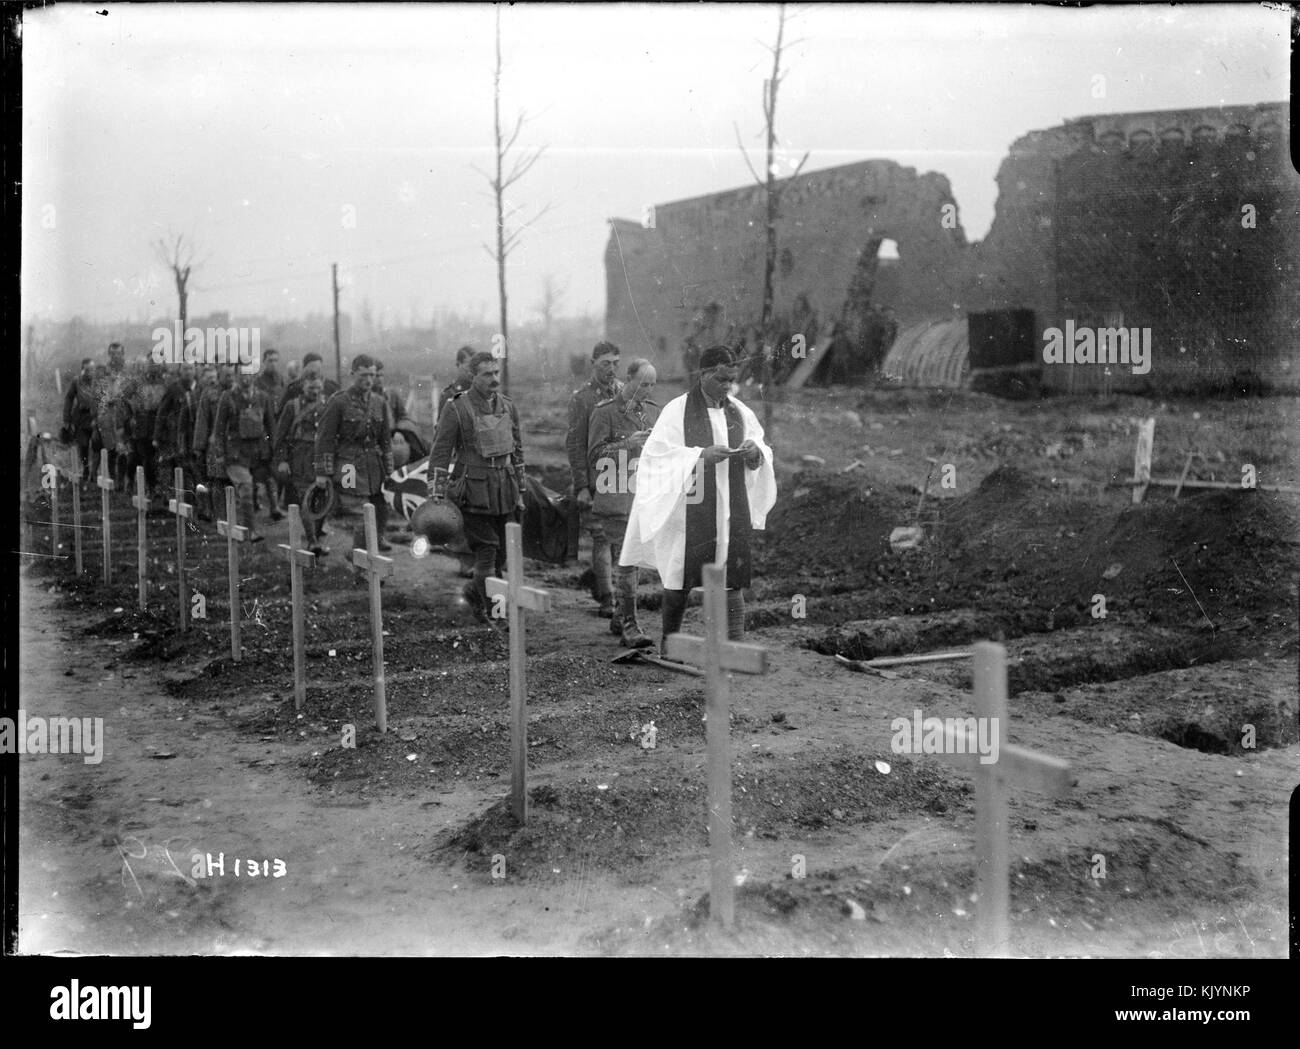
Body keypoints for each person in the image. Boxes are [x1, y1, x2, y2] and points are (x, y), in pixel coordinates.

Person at [620, 345, 776, 653]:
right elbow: (657, 456)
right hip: (689, 509)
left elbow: (761, 446)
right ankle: (671, 644)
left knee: (731, 572)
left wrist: (755, 453)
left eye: (732, 380)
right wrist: (701, 456)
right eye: (721, 379)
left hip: (730, 508)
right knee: (681, 574)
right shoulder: (677, 411)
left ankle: (735, 646)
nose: (728, 387)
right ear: (703, 374)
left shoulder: (740, 412)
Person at [426, 351, 525, 621]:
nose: (494, 378)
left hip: (505, 490)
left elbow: (517, 450)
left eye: (496, 372)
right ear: (473, 376)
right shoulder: (456, 407)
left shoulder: (507, 406)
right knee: (487, 551)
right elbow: (441, 451)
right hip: (473, 491)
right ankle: (496, 613)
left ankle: (474, 591)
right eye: (487, 374)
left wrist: (521, 488)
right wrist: (436, 491)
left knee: (502, 554)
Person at [588, 359, 659, 649]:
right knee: (627, 562)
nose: (648, 390)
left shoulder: (650, 412)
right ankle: (630, 626)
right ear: (627, 379)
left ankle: (620, 614)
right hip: (616, 497)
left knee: (633, 560)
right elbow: (595, 455)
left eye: (653, 384)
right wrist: (627, 444)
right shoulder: (605, 413)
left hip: (642, 497)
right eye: (643, 384)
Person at [314, 353, 394, 556]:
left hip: (373, 466)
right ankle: (361, 561)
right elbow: (324, 437)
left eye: (372, 375)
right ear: (352, 374)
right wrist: (323, 473)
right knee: (359, 512)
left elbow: (385, 441)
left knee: (377, 510)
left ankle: (361, 552)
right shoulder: (338, 402)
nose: (368, 380)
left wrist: (390, 469)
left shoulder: (379, 403)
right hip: (348, 466)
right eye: (363, 375)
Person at [566, 341, 623, 617]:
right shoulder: (582, 399)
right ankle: (608, 597)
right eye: (605, 364)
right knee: (601, 538)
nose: (611, 370)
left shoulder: (625, 393)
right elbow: (575, 445)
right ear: (593, 364)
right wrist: (581, 487)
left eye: (615, 364)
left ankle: (608, 587)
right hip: (596, 480)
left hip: (623, 479)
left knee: (621, 539)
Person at [211, 369, 278, 542]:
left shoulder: (263, 397)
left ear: (254, 375)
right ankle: (250, 531)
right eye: (242, 374)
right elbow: (218, 430)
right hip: (235, 453)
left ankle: (248, 520)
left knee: (255, 490)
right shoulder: (227, 397)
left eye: (249, 374)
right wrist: (219, 453)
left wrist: (274, 451)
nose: (246, 378)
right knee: (246, 488)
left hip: (258, 453)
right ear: (236, 375)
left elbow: (271, 426)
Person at [274, 374, 330, 556]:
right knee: (306, 497)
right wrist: (282, 460)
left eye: (318, 388)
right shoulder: (293, 407)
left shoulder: (327, 406)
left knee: (322, 500)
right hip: (299, 458)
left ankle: (316, 536)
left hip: (320, 457)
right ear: (303, 388)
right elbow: (280, 436)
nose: (315, 392)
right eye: (310, 388)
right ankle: (312, 541)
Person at [153, 362, 198, 512]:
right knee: (177, 466)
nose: (188, 372)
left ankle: (192, 499)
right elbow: (162, 413)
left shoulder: (199, 389)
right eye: (185, 369)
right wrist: (157, 436)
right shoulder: (174, 389)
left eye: (191, 369)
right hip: (176, 436)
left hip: (195, 436)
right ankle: (176, 497)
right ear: (180, 371)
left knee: (194, 467)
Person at [193, 363, 234, 521]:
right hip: (214, 443)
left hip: (234, 445)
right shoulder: (209, 393)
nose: (229, 378)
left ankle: (232, 518)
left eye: (232, 375)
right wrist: (199, 446)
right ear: (219, 375)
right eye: (226, 375)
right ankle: (220, 517)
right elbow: (202, 420)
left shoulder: (236, 393)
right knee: (217, 480)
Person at [62, 357, 98, 483]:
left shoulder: (99, 382)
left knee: (96, 445)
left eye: (92, 370)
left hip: (95, 417)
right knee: (83, 446)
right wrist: (67, 419)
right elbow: (69, 399)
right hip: (81, 418)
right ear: (82, 370)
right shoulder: (77, 382)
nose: (90, 373)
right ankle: (86, 469)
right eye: (87, 370)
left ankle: (94, 473)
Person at [439, 346, 476, 418]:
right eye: (469, 366)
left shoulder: (483, 392)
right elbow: (441, 427)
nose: (472, 370)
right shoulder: (450, 395)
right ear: (458, 365)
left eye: (475, 366)